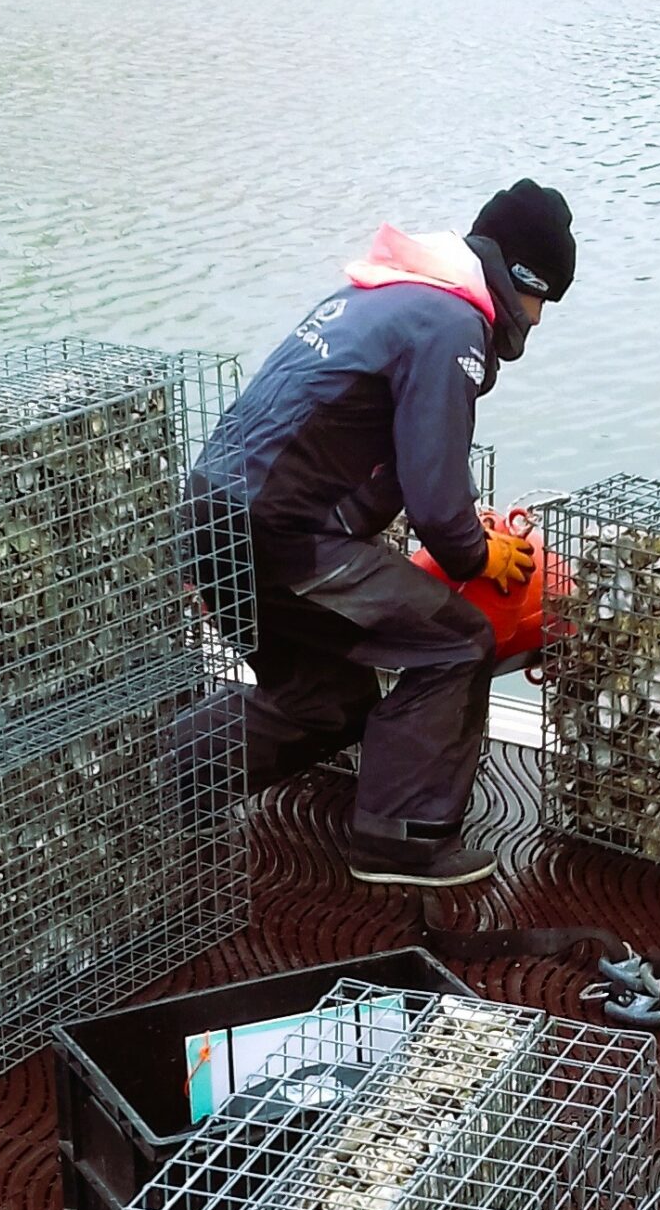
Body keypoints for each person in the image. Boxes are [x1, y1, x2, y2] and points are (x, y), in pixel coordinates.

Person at [182, 181, 576, 887]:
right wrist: (479, 553)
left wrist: (451, 525)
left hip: (213, 518)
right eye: (543, 300)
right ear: (522, 278)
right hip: (281, 533)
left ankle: (157, 786)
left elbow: (389, 455)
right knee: (456, 642)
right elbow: (436, 503)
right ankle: (401, 842)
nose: (539, 319)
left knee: (326, 699)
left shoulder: (388, 292)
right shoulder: (452, 325)